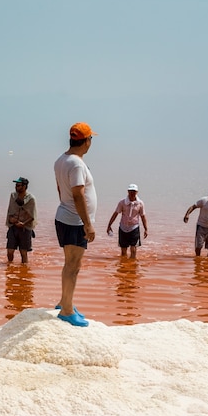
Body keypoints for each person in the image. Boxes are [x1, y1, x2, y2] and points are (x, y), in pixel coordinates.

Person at [53, 122, 98, 327]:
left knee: (70, 264)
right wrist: (87, 224)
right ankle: (67, 310)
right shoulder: (77, 164)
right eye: (91, 139)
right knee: (73, 266)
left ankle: (65, 301)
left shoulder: (62, 160)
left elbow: (60, 189)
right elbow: (78, 194)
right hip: (74, 221)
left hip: (66, 216)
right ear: (86, 141)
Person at [105, 183, 148, 258]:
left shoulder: (140, 203)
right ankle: (124, 266)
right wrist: (109, 225)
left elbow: (143, 216)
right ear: (128, 191)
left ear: (137, 192)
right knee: (123, 250)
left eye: (134, 191)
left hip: (134, 227)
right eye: (130, 191)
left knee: (133, 249)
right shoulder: (122, 202)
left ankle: (132, 267)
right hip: (123, 227)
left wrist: (146, 229)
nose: (132, 193)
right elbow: (115, 214)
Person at [5, 176, 37, 263]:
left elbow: (32, 216)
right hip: (13, 227)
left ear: (24, 187)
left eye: (19, 185)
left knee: (23, 252)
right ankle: (10, 269)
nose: (16, 187)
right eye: (16, 185)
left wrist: (23, 223)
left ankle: (24, 273)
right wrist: (11, 220)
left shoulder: (31, 199)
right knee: (10, 251)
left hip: (25, 228)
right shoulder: (13, 196)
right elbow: (10, 211)